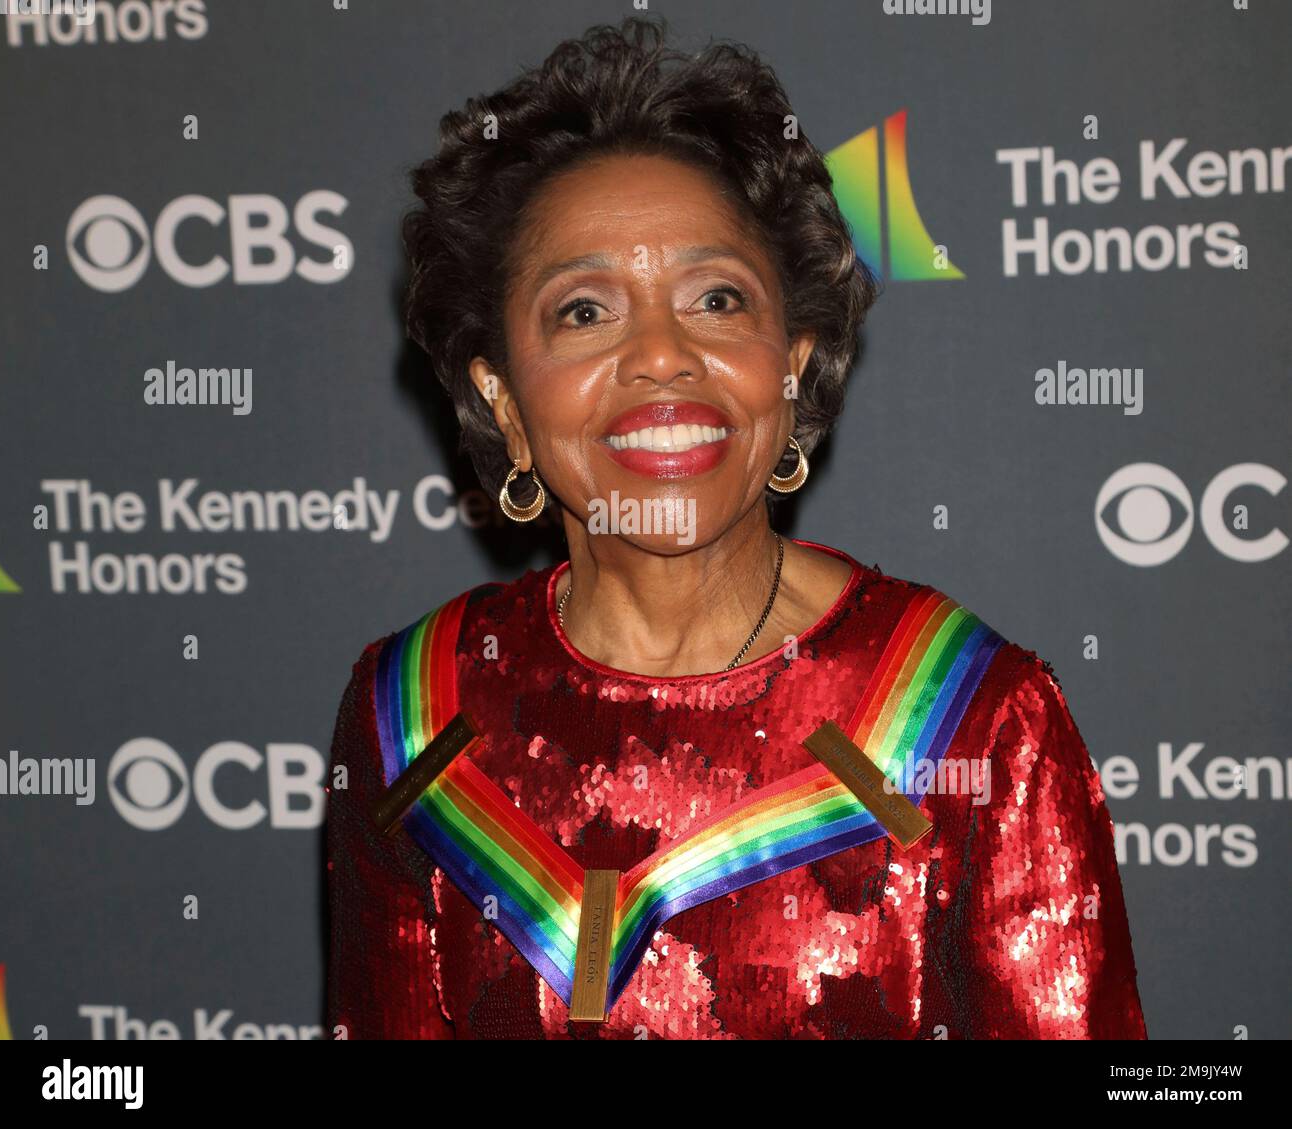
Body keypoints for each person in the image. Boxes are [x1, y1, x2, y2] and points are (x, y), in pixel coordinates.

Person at [324, 15, 1147, 1040]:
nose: (661, 354)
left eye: (716, 298)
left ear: (789, 364)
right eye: (585, 310)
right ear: (500, 400)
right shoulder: (413, 712)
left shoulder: (971, 716)